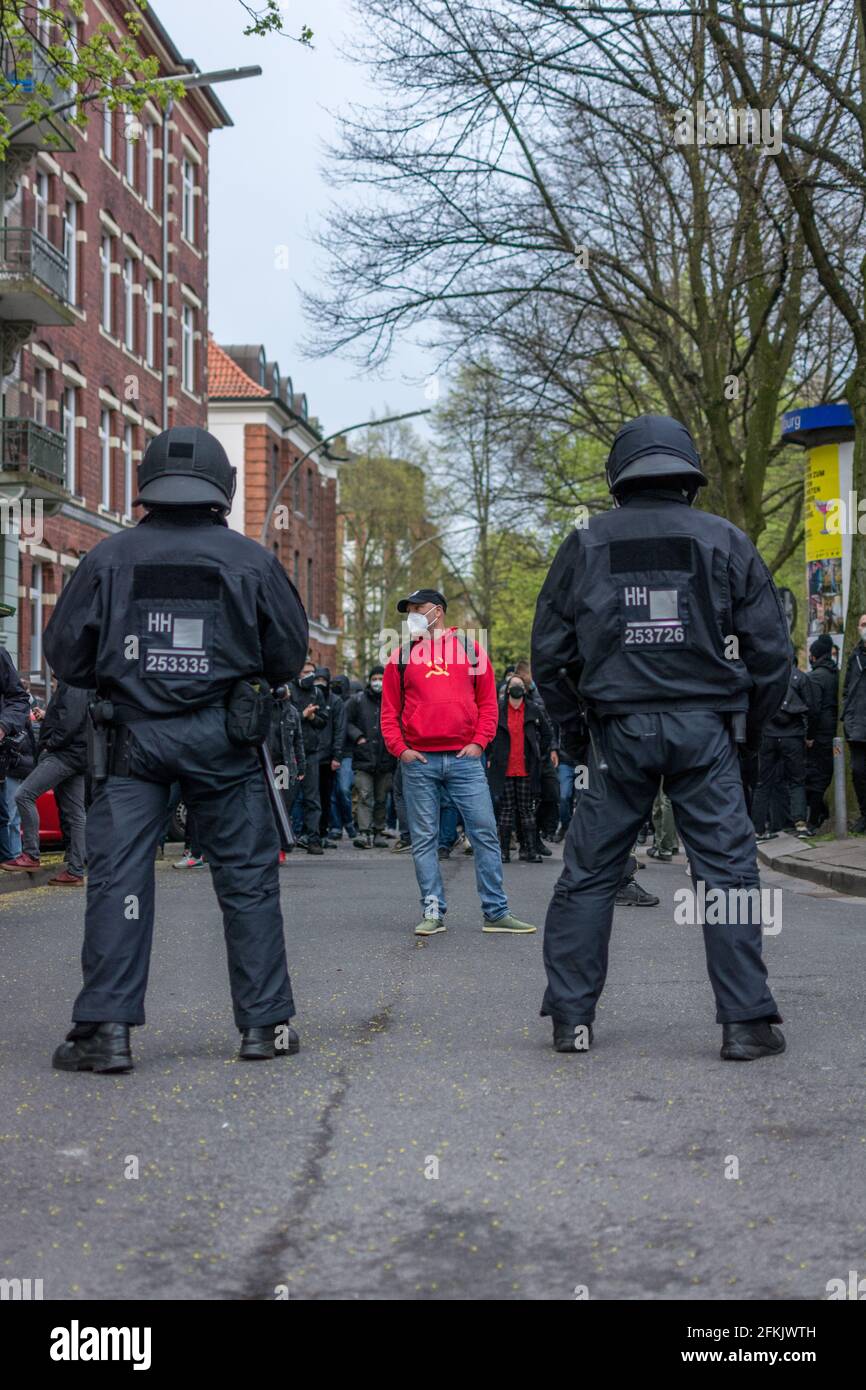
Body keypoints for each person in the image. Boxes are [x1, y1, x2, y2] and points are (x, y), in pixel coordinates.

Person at [43, 425, 308, 1073]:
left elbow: (66, 656)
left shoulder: (107, 560)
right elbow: (287, 656)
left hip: (133, 742)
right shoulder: (251, 562)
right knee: (245, 881)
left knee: (119, 880)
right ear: (221, 488)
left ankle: (106, 1030)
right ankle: (264, 1026)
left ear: (147, 488)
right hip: (225, 740)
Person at [531, 413, 791, 1060]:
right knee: (727, 875)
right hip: (706, 730)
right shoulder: (724, 540)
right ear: (689, 475)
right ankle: (745, 1024)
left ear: (619, 477)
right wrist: (746, 734)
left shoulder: (585, 542)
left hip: (617, 731)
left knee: (590, 874)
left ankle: (572, 1019)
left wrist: (577, 732)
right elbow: (771, 657)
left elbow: (549, 655)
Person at [380, 587, 535, 937]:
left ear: (438, 611)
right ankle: (432, 912)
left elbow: (488, 705)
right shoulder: (401, 658)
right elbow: (389, 712)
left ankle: (496, 912)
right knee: (424, 840)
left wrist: (480, 743)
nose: (412, 616)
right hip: (418, 761)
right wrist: (400, 749)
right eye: (409, 611)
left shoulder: (469, 649)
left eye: (418, 608)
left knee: (484, 833)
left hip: (465, 760)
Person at [2, 678, 90, 885]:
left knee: (23, 795)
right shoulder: (79, 684)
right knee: (76, 814)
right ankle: (76, 870)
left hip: (64, 755)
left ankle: (31, 855)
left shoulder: (73, 684)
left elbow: (71, 720)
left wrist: (51, 745)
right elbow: (69, 718)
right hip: (77, 755)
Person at [749, 650, 815, 841]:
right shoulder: (800, 678)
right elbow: (812, 709)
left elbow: (756, 707)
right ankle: (800, 824)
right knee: (797, 780)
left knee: (762, 783)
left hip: (768, 735)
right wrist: (809, 735)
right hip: (793, 735)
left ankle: (757, 829)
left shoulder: (765, 678)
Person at [486, 674, 552, 862]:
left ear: (525, 689)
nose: (517, 688)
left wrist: (539, 754)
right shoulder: (499, 710)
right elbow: (487, 733)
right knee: (506, 811)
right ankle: (504, 851)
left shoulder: (533, 709)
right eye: (514, 685)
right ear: (508, 690)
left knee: (526, 810)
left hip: (526, 768)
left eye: (520, 685)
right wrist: (491, 756)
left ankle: (529, 850)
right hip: (503, 767)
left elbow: (547, 734)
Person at [345, 665, 395, 848]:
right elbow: (346, 721)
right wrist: (358, 737)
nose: (377, 682)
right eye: (374, 678)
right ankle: (364, 832)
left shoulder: (392, 700)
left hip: (386, 757)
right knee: (365, 795)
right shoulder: (357, 700)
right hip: (364, 757)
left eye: (381, 678)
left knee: (382, 797)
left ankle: (379, 830)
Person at [290, 657, 330, 853]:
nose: (308, 676)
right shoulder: (287, 690)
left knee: (312, 798)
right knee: (286, 796)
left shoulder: (317, 693)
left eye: (311, 673)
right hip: (289, 755)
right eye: (304, 672)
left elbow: (323, 721)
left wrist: (313, 717)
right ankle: (283, 838)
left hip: (311, 753)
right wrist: (302, 715)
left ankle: (314, 839)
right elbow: (282, 720)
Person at [804, 634, 839, 833]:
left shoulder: (815, 677)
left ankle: (815, 820)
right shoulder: (836, 674)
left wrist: (810, 735)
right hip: (833, 729)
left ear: (814, 657)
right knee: (826, 773)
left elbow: (813, 709)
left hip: (820, 734)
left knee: (816, 776)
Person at [268, 683, 306, 859]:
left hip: (283, 766)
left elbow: (298, 741)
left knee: (281, 806)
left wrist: (301, 767)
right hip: (266, 765)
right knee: (266, 806)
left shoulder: (292, 712)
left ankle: (280, 848)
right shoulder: (265, 708)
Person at [842, 614, 866, 833]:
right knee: (858, 772)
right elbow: (848, 688)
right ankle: (864, 813)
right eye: (863, 625)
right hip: (857, 725)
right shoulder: (855, 656)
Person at [327, 674, 357, 840]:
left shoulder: (352, 703)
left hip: (346, 753)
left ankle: (348, 822)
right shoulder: (328, 701)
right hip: (330, 752)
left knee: (343, 790)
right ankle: (336, 826)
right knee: (332, 794)